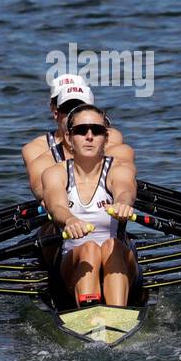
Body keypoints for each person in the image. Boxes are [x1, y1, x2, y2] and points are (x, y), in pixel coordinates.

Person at [40, 104, 138, 307]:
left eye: (97, 130)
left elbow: (125, 190)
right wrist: (69, 220)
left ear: (106, 138)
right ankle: (90, 313)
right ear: (69, 138)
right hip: (72, 263)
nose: (90, 136)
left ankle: (117, 315)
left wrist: (122, 205)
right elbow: (56, 205)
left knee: (112, 246)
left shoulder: (119, 170)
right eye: (81, 130)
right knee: (89, 249)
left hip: (118, 259)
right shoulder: (54, 173)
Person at [20, 75, 133, 200]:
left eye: (80, 108)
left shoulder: (112, 137)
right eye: (67, 108)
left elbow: (124, 175)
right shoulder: (36, 150)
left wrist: (123, 197)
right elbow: (41, 188)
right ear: (55, 111)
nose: (73, 114)